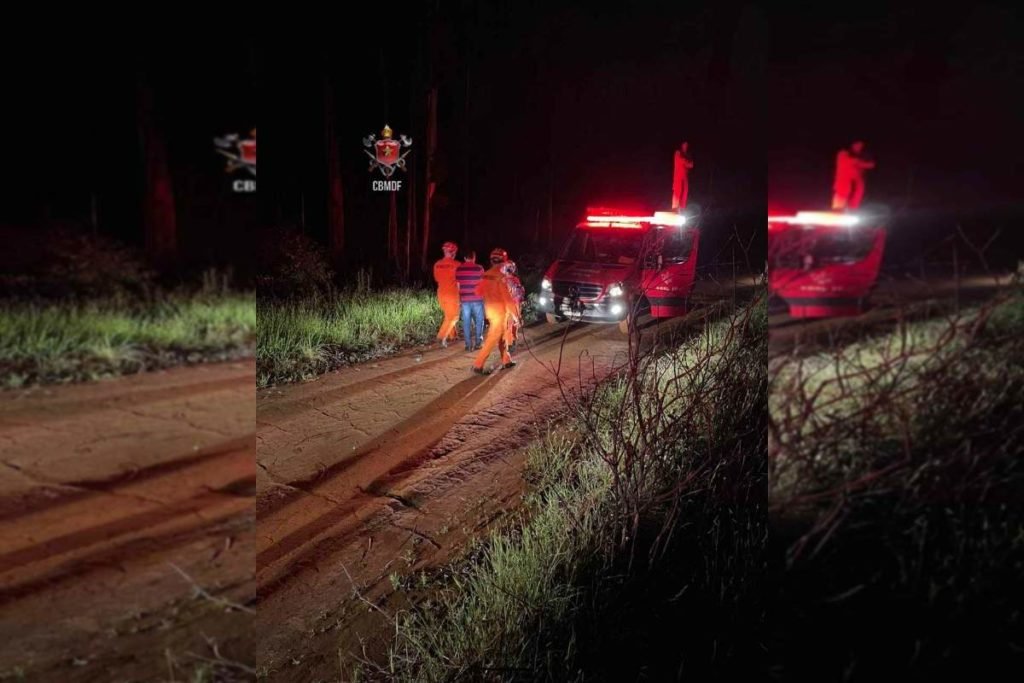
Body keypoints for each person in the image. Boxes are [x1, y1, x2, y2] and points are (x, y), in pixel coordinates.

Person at [473, 248, 519, 375]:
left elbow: (478, 292)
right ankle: (478, 364)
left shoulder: (485, 274)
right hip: (500, 312)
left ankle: (506, 360)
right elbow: (508, 299)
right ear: (503, 261)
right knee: (493, 338)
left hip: (490, 311)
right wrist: (516, 316)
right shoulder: (502, 277)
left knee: (502, 337)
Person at [455, 250, 485, 351]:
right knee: (479, 321)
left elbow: (458, 286)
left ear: (464, 258)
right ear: (474, 258)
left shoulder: (458, 269)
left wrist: (459, 300)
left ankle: (468, 345)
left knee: (466, 322)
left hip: (465, 300)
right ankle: (478, 343)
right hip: (477, 299)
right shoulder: (479, 268)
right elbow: (483, 284)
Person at [832, 141, 875, 210]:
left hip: (854, 189)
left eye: (861, 146)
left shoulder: (860, 157)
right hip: (843, 187)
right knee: (839, 208)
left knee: (852, 207)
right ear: (852, 145)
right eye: (857, 145)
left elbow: (870, 165)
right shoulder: (843, 154)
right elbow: (853, 162)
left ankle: (850, 210)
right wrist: (864, 163)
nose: (859, 148)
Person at [433, 241, 461, 347]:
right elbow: (459, 282)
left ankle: (453, 335)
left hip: (441, 293)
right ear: (453, 252)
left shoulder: (437, 264)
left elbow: (437, 279)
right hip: (452, 294)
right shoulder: (457, 265)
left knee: (448, 315)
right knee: (454, 317)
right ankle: (441, 337)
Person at [501, 259, 525, 352]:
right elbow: (520, 293)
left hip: (507, 305)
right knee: (515, 322)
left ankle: (510, 342)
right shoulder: (515, 280)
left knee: (508, 324)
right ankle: (513, 340)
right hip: (515, 304)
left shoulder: (502, 280)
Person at [671, 141, 694, 211]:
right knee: (678, 190)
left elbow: (691, 165)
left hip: (685, 175)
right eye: (684, 144)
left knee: (685, 190)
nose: (685, 146)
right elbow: (681, 160)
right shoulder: (678, 152)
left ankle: (682, 207)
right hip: (678, 174)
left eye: (687, 145)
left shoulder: (688, 155)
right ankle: (675, 207)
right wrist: (686, 162)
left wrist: (687, 163)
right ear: (681, 145)